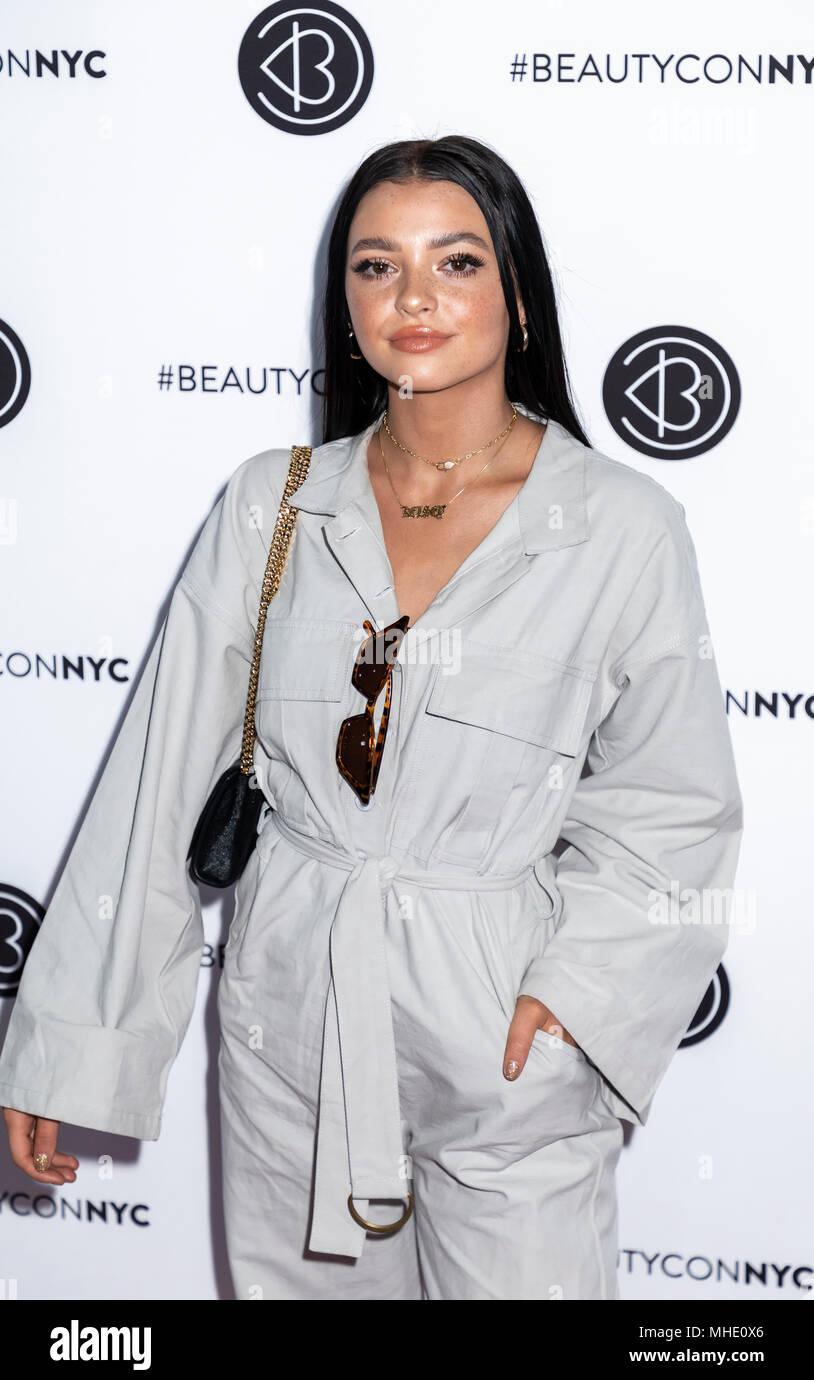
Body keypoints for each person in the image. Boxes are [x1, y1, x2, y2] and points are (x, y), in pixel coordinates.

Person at [0, 135, 743, 1301]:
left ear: (518, 293)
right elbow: (154, 782)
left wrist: (576, 1001)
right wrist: (75, 1046)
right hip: (290, 1018)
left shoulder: (618, 525)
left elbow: (674, 803)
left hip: (503, 1035)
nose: (410, 299)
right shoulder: (274, 504)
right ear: (342, 301)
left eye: (454, 263)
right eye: (373, 266)